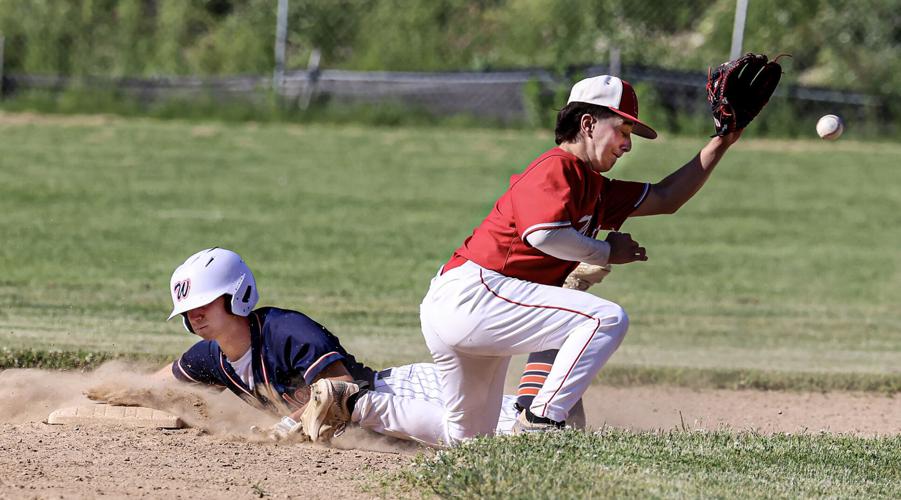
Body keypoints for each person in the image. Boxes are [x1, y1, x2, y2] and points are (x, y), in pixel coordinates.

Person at [418, 74, 744, 443]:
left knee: (469, 439)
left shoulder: (593, 186)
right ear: (587, 124)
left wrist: (722, 141)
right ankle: (542, 420)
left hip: (470, 305)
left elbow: (667, 197)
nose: (627, 145)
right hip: (477, 294)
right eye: (622, 130)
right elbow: (542, 234)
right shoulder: (557, 167)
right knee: (604, 318)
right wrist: (607, 252)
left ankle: (358, 406)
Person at [159, 247, 518, 447]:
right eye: (188, 311)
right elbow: (160, 382)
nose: (195, 316)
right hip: (379, 422)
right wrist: (110, 388)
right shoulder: (211, 356)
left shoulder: (285, 330)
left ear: (235, 296)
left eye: (204, 304)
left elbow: (340, 391)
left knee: (512, 435)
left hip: (404, 394)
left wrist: (286, 424)